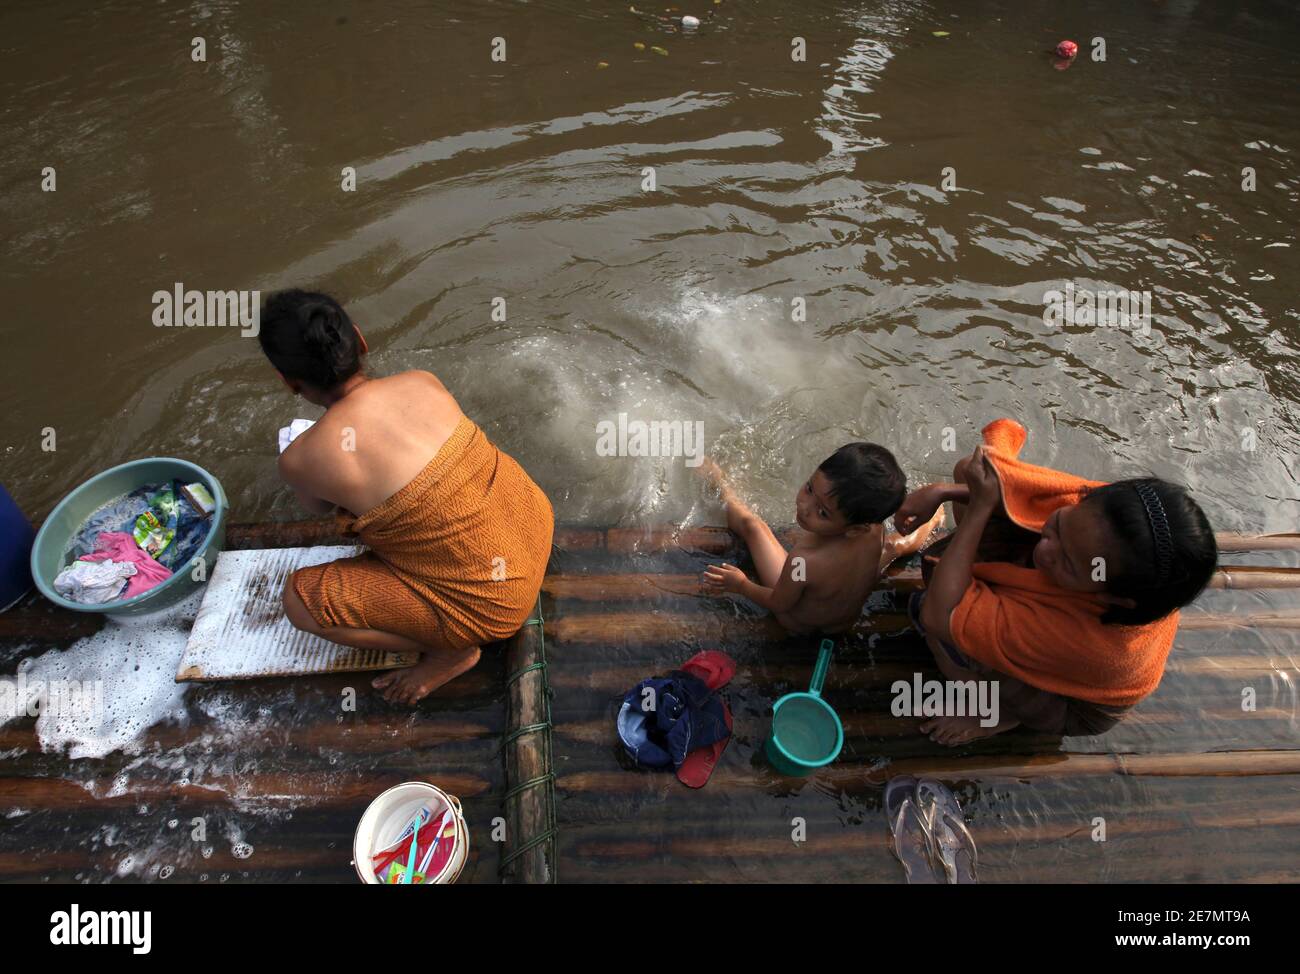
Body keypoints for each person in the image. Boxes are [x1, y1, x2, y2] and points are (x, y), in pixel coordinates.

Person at [257, 289, 554, 703]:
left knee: (299, 602)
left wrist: (307, 456)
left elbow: (317, 506)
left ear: (288, 381)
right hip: (533, 523)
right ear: (360, 340)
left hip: (496, 606)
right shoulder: (421, 381)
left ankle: (450, 653)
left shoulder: (302, 458)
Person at [894, 418, 1217, 745]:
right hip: (1071, 611)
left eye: (1068, 563)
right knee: (970, 472)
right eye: (1058, 525)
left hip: (1069, 702)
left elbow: (938, 616)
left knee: (938, 625)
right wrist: (942, 492)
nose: (1044, 551)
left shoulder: (1086, 640)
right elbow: (1013, 487)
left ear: (1115, 597)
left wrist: (979, 509)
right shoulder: (1110, 519)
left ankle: (999, 713)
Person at [701, 445, 942, 633]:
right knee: (892, 546)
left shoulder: (804, 561)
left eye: (823, 512)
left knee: (753, 527)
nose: (804, 507)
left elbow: (780, 603)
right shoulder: (873, 529)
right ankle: (933, 519)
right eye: (809, 488)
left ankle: (717, 483)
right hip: (843, 621)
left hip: (799, 622)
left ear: (854, 529)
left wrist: (741, 585)